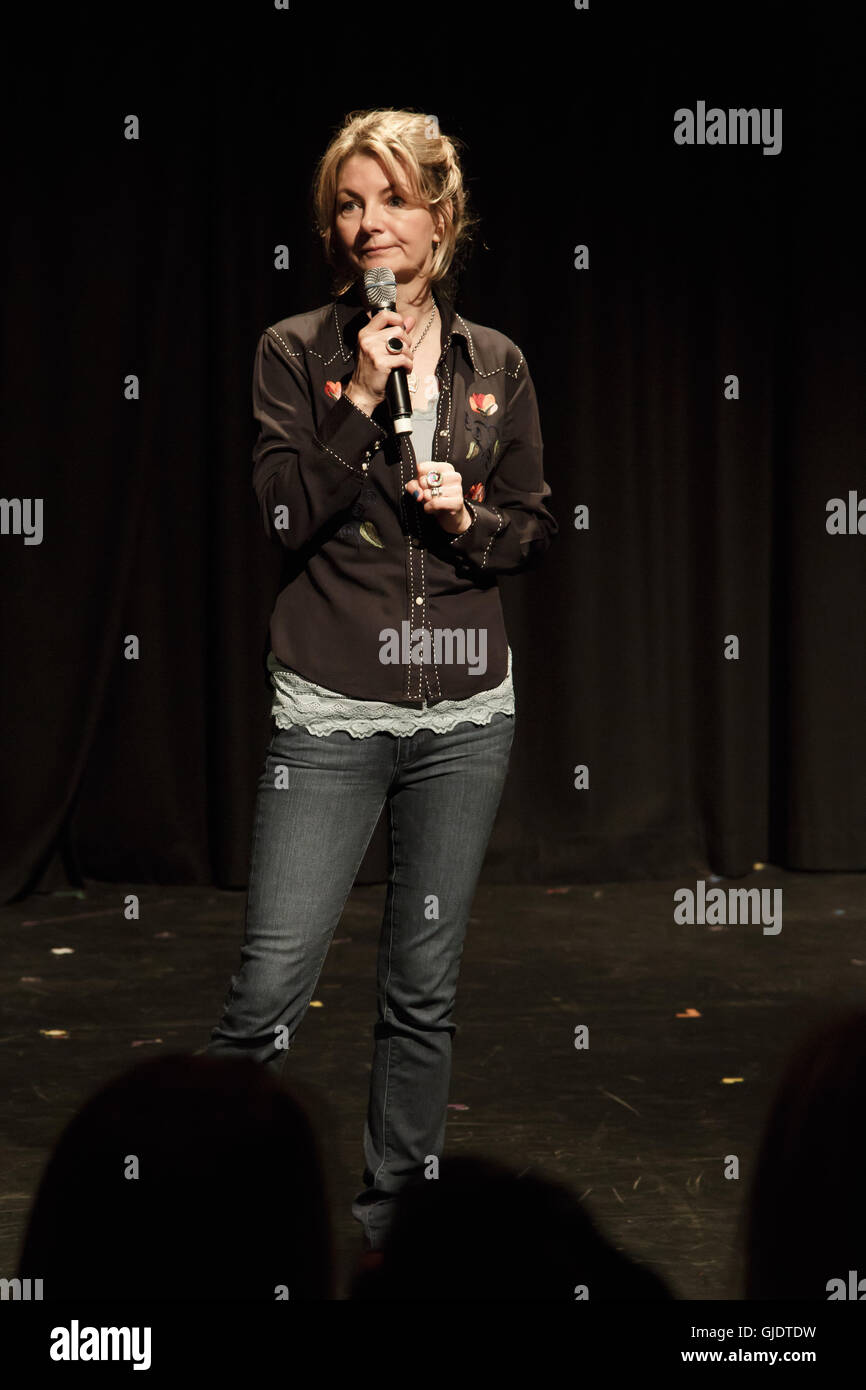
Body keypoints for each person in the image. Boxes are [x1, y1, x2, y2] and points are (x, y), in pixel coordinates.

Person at [205, 107, 558, 1252]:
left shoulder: (494, 362)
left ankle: (393, 1229)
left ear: (439, 217)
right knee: (266, 995)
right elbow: (279, 517)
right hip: (331, 709)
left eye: (391, 200)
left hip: (465, 710)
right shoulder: (293, 352)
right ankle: (210, 1228)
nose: (368, 224)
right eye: (349, 204)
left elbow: (532, 531)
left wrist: (473, 517)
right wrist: (356, 399)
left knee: (420, 993)